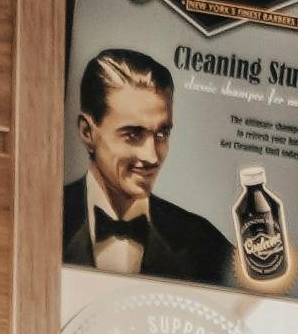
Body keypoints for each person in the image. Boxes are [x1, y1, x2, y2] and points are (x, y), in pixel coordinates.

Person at [65, 47, 236, 279]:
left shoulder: (207, 245)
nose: (152, 157)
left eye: (162, 134)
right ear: (87, 132)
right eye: (133, 134)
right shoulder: (41, 215)